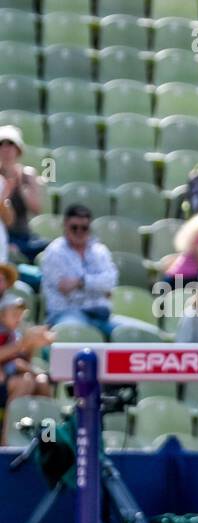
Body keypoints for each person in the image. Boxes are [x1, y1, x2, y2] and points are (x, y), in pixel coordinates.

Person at [41, 205, 155, 338]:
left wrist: (80, 282)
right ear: (65, 226)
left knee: (137, 334)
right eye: (74, 227)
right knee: (76, 332)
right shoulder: (55, 251)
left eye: (84, 228)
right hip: (67, 312)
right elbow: (64, 287)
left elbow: (110, 283)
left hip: (101, 315)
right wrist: (97, 285)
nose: (79, 231)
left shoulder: (100, 250)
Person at [0, 126, 47, 265]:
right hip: (4, 237)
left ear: (18, 149)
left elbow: (36, 209)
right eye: (1, 144)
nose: (6, 149)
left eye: (10, 144)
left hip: (25, 237)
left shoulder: (28, 175)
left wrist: (20, 184)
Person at [0, 291, 54, 412]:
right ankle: (9, 430)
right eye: (14, 314)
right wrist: (23, 344)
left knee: (42, 382)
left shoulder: (16, 334)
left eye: (21, 315)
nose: (18, 318)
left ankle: (46, 429)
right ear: (2, 316)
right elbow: (14, 362)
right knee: (26, 382)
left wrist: (32, 345)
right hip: (4, 380)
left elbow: (23, 361)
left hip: (12, 377)